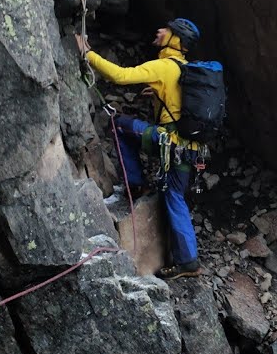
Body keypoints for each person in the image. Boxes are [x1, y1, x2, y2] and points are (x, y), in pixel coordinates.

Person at [76, 19, 205, 280]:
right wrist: (157, 95)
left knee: (119, 125)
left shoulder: (164, 66)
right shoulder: (186, 70)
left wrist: (87, 53)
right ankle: (188, 260)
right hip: (189, 149)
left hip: (168, 141)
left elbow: (120, 76)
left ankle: (134, 185)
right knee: (174, 197)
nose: (159, 30)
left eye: (166, 30)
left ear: (175, 39)